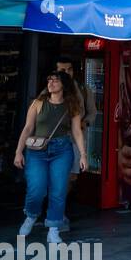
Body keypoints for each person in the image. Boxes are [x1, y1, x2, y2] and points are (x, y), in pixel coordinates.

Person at [14, 71, 88, 244]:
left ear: (64, 85)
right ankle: (31, 215)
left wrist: (83, 155)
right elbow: (27, 128)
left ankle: (53, 229)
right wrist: (18, 151)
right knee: (36, 189)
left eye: (56, 80)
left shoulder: (72, 105)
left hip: (62, 150)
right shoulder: (38, 103)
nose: (51, 83)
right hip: (36, 151)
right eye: (49, 80)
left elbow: (77, 131)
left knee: (58, 190)